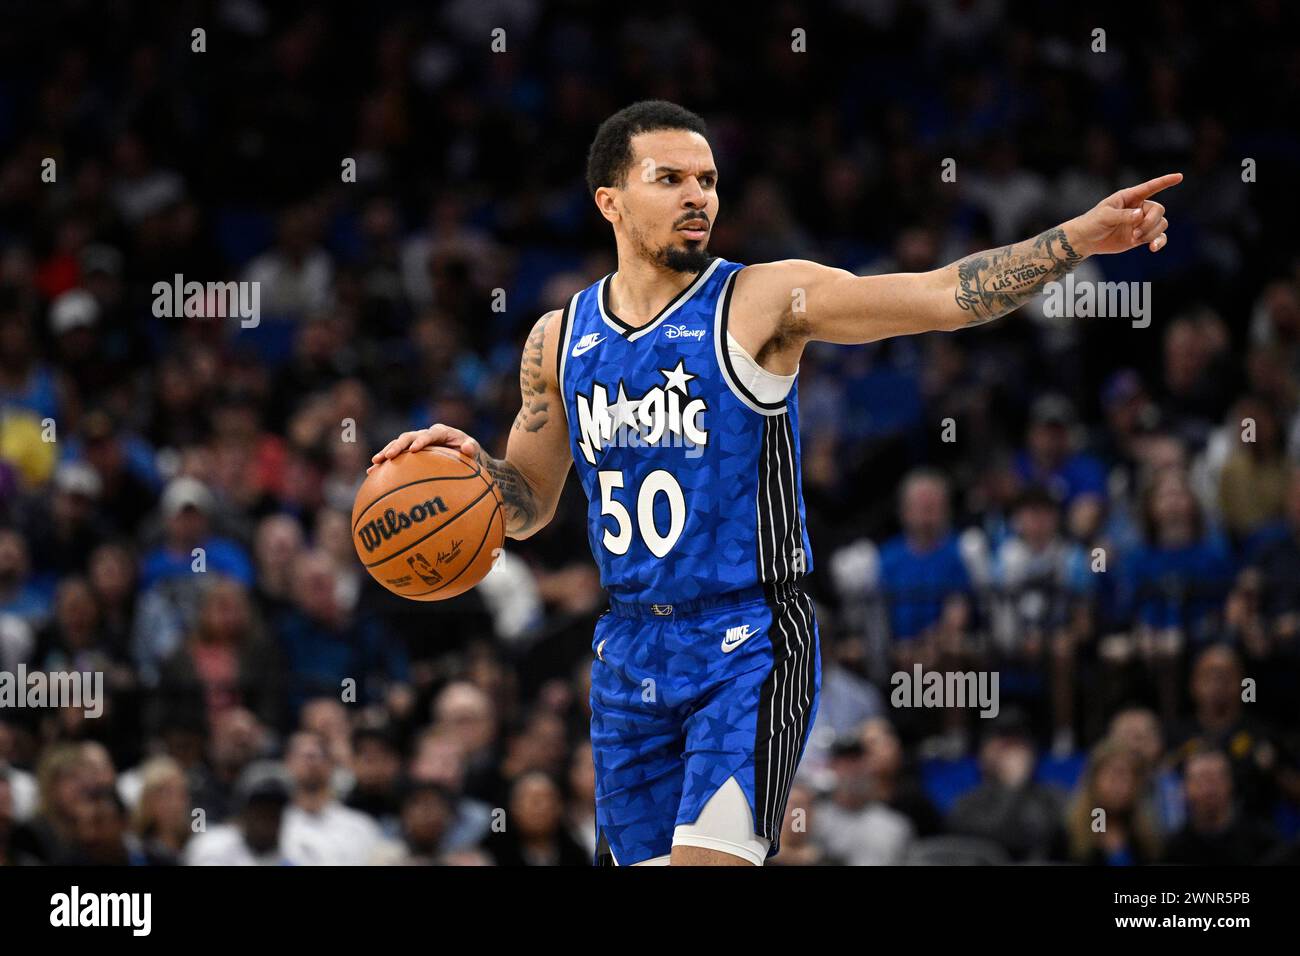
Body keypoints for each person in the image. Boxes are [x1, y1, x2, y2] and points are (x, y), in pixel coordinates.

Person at [371, 100, 1179, 865]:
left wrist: (1075, 238)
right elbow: (526, 508)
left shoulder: (760, 300)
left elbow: (939, 299)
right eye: (672, 179)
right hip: (628, 651)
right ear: (609, 201)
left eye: (709, 180)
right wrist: (473, 475)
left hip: (747, 637)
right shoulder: (559, 338)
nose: (699, 197)